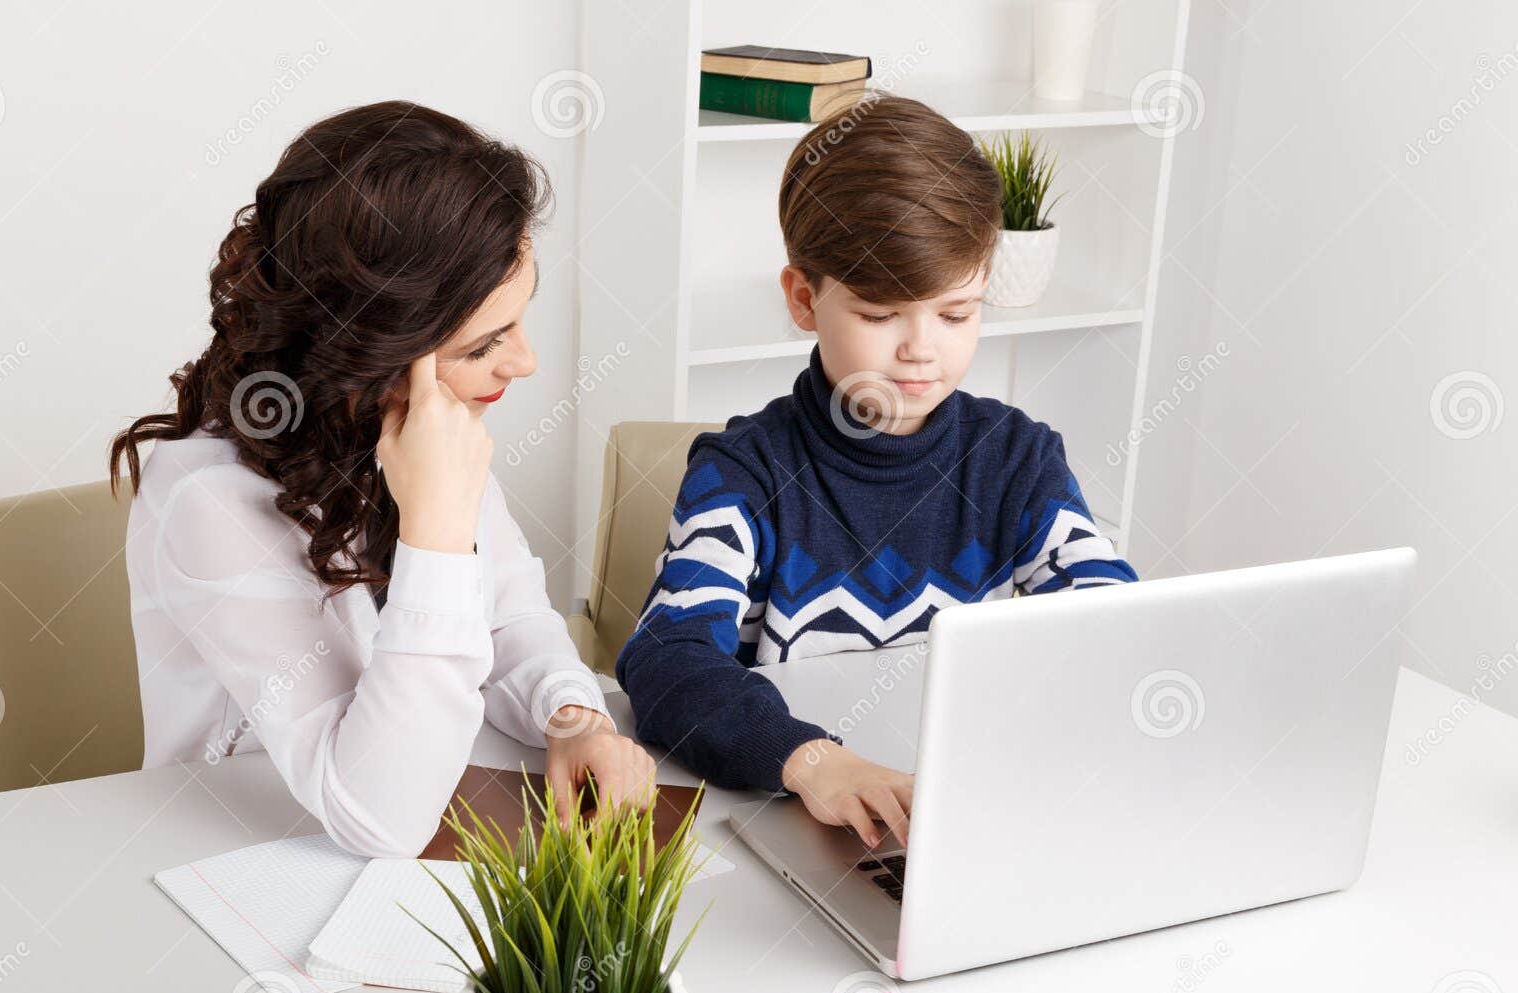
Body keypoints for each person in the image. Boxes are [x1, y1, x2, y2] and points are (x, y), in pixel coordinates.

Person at [111, 101, 655, 859]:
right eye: (485, 344)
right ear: (374, 349)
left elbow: (508, 620)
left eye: (519, 321)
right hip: (243, 863)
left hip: (407, 843)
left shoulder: (410, 426)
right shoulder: (211, 502)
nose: (525, 362)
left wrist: (571, 715)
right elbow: (380, 816)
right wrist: (436, 533)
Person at [616, 94, 1139, 849]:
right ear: (804, 299)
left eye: (956, 314)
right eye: (880, 314)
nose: (921, 349)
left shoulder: (1018, 461)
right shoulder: (742, 475)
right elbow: (667, 662)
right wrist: (814, 760)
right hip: (792, 813)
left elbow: (1113, 625)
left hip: (960, 816)